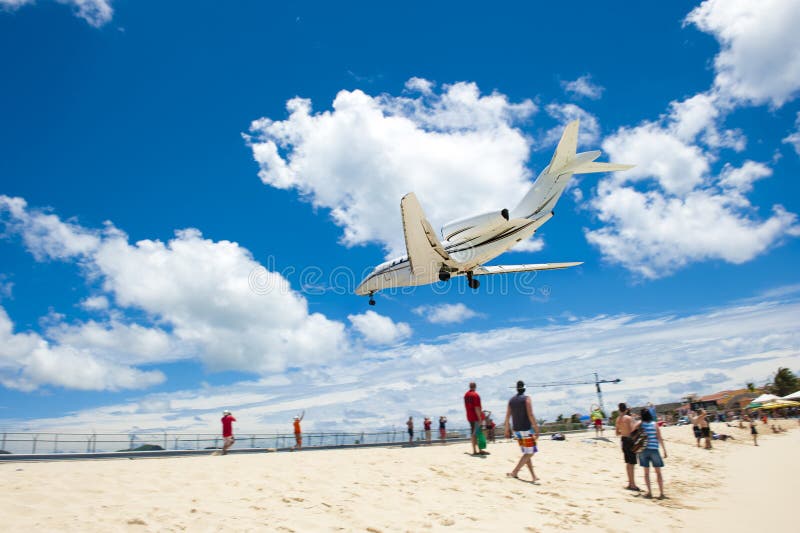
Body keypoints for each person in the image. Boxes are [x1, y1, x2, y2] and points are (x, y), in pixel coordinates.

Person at [504, 380, 540, 482]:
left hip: (517, 431)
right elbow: (530, 414)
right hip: (526, 429)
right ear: (524, 388)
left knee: (526, 452)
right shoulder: (527, 399)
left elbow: (507, 417)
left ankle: (533, 476)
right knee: (531, 452)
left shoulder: (511, 401)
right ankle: (514, 472)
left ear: (516, 388)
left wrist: (507, 429)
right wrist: (537, 429)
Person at [638, 408, 667, 499]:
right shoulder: (654, 424)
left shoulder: (640, 424)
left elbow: (633, 432)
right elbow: (659, 437)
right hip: (654, 449)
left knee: (646, 473)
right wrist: (664, 450)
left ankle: (649, 492)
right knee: (658, 472)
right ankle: (661, 493)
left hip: (643, 450)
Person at [615, 402, 640, 491]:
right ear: (625, 409)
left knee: (628, 463)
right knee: (632, 463)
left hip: (623, 440)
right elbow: (633, 430)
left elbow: (617, 433)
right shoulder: (629, 418)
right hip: (630, 440)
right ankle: (633, 484)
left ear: (619, 410)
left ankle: (630, 483)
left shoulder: (618, 419)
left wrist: (623, 431)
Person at [464, 382, 487, 455]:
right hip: (475, 417)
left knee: (475, 432)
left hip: (469, 416)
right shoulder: (475, 395)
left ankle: (475, 450)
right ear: (475, 386)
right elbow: (476, 408)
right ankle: (478, 450)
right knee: (477, 433)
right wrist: (480, 418)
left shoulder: (466, 395)